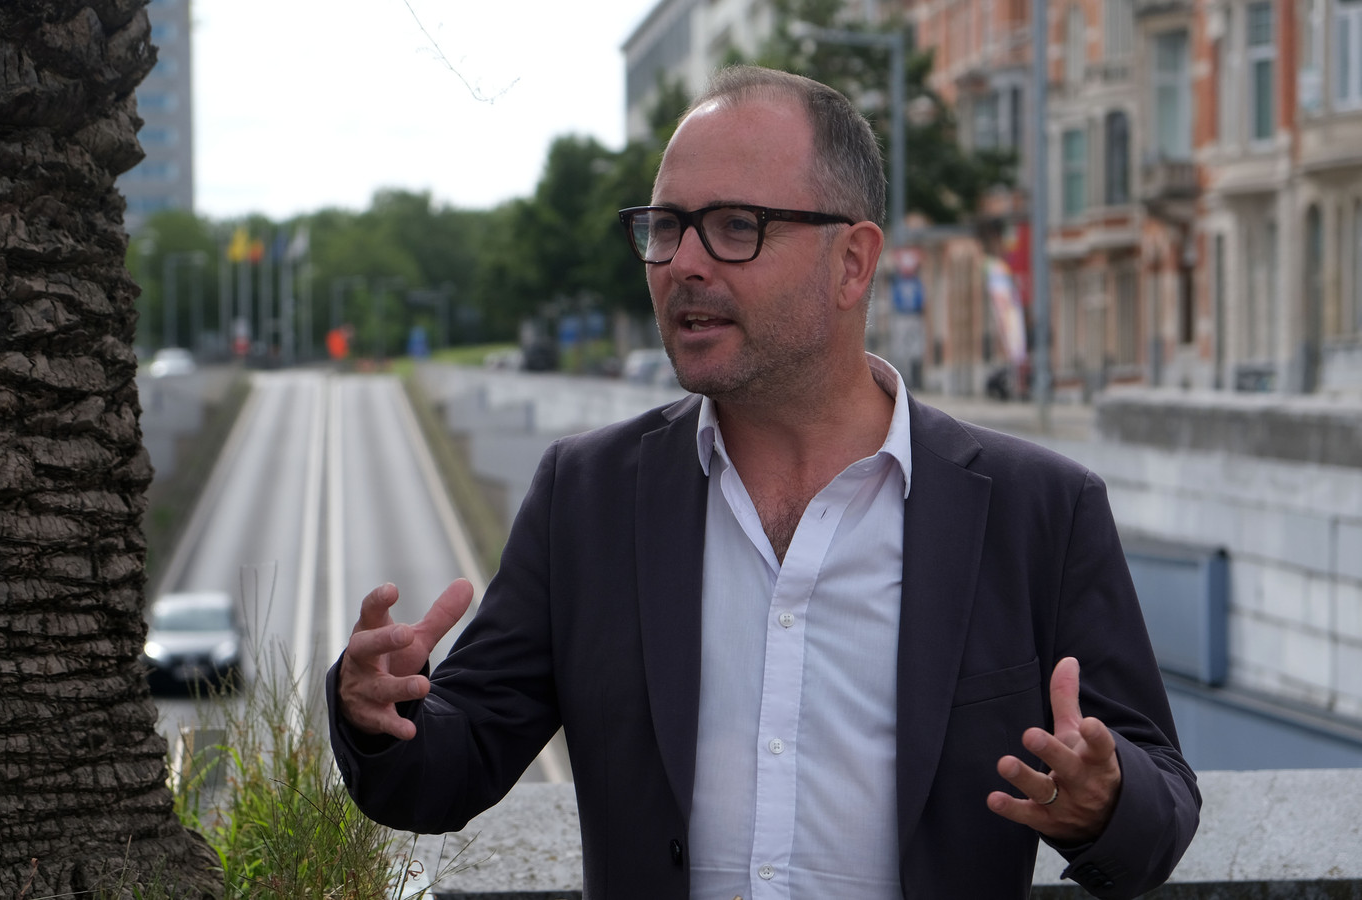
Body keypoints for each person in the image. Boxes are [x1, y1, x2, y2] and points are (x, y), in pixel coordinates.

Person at [328, 65, 1199, 899]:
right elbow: (447, 769)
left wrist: (1105, 801)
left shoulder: (1035, 510)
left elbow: (1158, 807)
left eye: (734, 225)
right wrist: (379, 714)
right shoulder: (587, 497)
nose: (682, 264)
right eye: (664, 227)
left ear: (853, 262)